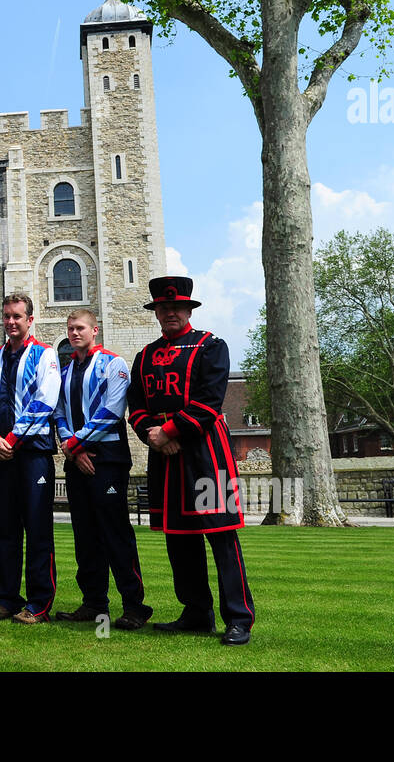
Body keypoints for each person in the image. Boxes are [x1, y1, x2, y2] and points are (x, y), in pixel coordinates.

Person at [128, 276, 255, 646]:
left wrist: (168, 431)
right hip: (164, 458)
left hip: (206, 453)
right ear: (157, 312)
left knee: (221, 536)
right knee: (179, 538)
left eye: (176, 308)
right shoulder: (145, 355)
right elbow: (136, 406)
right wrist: (153, 434)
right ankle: (197, 612)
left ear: (188, 310)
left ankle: (239, 618)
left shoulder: (211, 346)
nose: (170, 313)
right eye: (163, 309)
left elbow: (208, 403)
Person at [53, 309, 152, 630]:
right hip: (76, 460)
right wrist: (70, 446)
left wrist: (75, 444)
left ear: (94, 330)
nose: (74, 333)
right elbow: (59, 413)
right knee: (85, 535)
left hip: (107, 459)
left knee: (115, 533)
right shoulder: (66, 371)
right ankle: (94, 603)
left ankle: (135, 606)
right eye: (70, 329)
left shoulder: (113, 364)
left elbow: (112, 411)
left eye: (79, 328)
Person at [0, 293, 61, 625]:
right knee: (6, 530)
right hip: (1, 454)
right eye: (7, 316)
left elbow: (45, 400)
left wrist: (12, 437)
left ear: (30, 320)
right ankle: (8, 598)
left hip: (33, 452)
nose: (11, 322)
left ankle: (39, 603)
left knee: (38, 528)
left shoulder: (45, 354)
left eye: (17, 316)